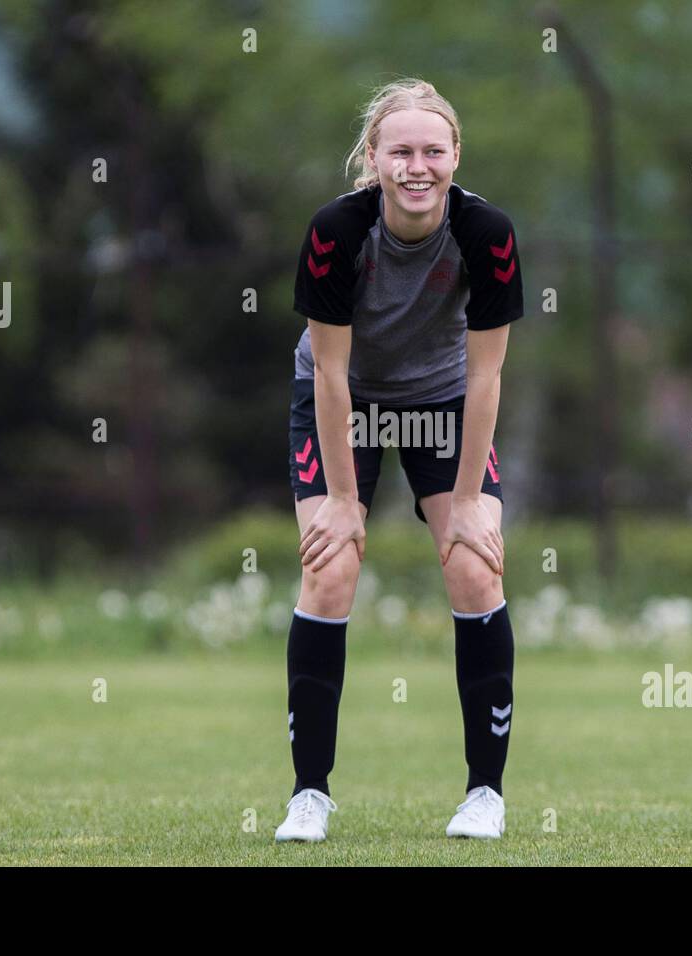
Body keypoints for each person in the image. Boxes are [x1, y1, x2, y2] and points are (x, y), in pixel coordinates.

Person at [275, 78, 524, 842]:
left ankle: (485, 794)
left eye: (433, 151)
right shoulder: (335, 233)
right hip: (343, 397)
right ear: (373, 160)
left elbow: (485, 375)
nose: (418, 167)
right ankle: (309, 795)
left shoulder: (488, 233)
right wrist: (346, 501)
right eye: (401, 152)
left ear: (455, 157)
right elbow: (331, 373)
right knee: (331, 565)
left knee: (475, 564)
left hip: (445, 400)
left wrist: (474, 503)